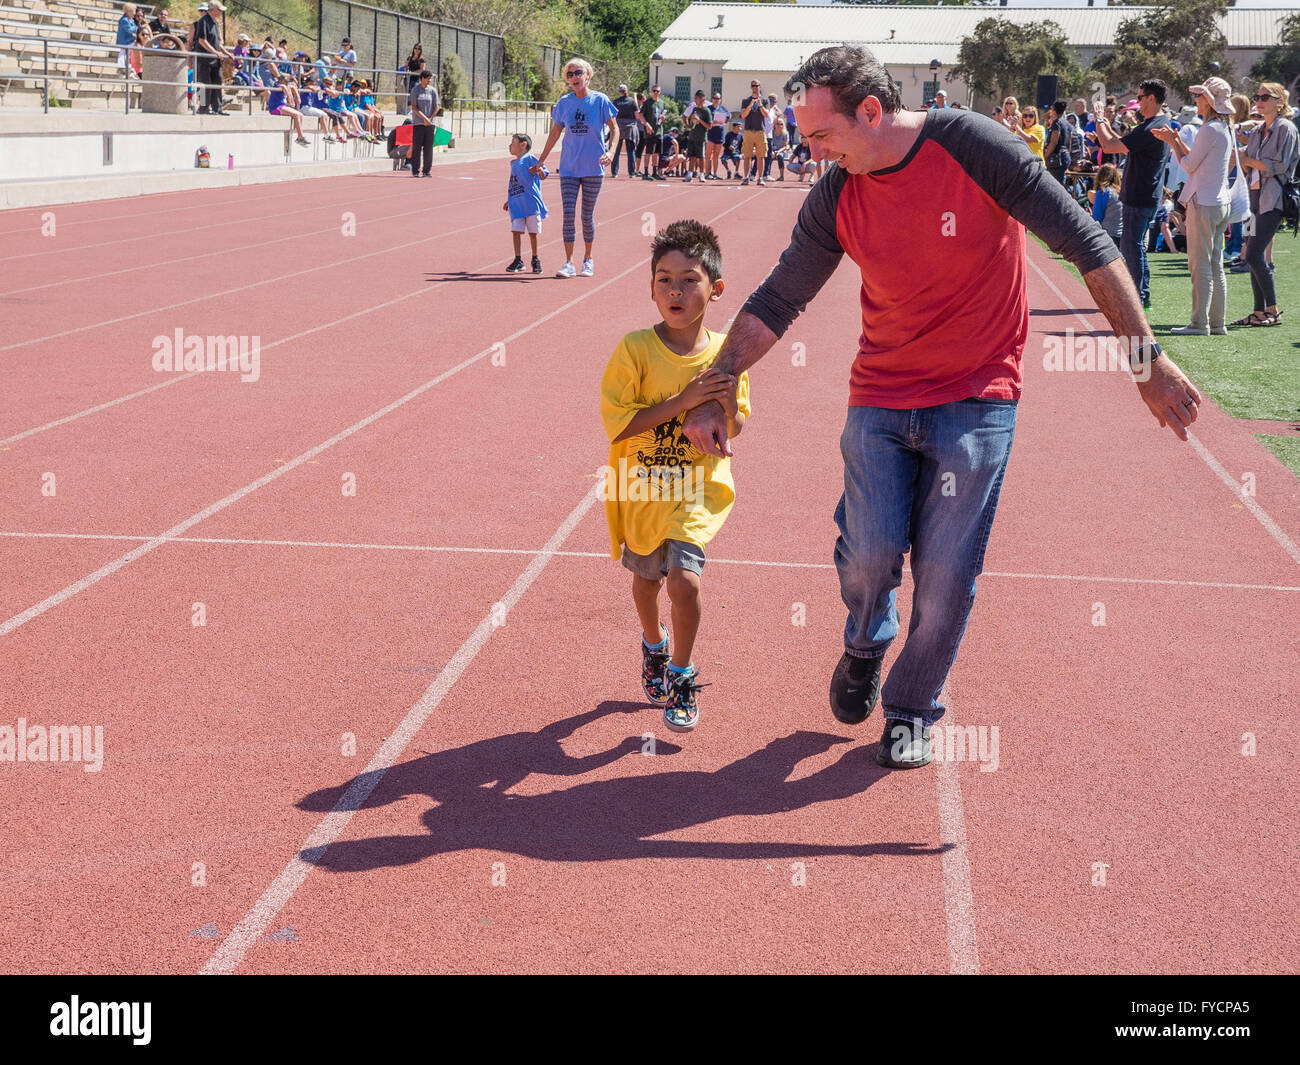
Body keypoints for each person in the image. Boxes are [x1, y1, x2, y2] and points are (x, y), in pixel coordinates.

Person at [678, 45, 1202, 769]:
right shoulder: (837, 192)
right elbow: (779, 296)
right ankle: (865, 640)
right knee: (868, 555)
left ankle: (912, 706)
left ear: (870, 111)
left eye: (821, 133)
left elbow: (1084, 241)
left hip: (979, 393)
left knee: (950, 571)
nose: (809, 148)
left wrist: (1145, 363)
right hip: (882, 393)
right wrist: (717, 383)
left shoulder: (978, 147)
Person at [600, 220, 750, 732]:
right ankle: (653, 644)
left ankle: (683, 676)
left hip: (695, 490)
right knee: (646, 585)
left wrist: (726, 405)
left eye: (689, 279)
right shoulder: (635, 350)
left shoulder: (726, 353)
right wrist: (683, 402)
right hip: (640, 488)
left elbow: (738, 422)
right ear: (651, 289)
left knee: (684, 581)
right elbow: (620, 425)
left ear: (716, 289)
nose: (675, 290)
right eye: (664, 279)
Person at [1153, 78, 1234, 336]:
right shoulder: (1221, 128)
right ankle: (1216, 322)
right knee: (1215, 264)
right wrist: (1175, 140)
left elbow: (1188, 165)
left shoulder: (1210, 129)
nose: (1196, 100)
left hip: (1204, 203)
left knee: (1200, 265)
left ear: (1209, 101)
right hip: (1218, 203)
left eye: (1200, 96)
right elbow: (1196, 161)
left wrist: (1172, 142)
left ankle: (1200, 323)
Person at [531, 57, 618, 278]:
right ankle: (568, 262)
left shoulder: (600, 101)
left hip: (593, 168)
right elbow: (555, 133)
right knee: (568, 215)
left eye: (577, 72)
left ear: (587, 75)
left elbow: (615, 130)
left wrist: (610, 152)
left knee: (586, 216)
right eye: (569, 75)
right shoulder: (564, 103)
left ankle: (588, 259)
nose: (574, 77)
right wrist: (541, 159)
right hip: (569, 168)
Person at [1090, 79, 1171, 309]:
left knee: (1131, 246)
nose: (1138, 102)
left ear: (1152, 99)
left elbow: (1109, 146)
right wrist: (1103, 122)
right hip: (1144, 194)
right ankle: (1141, 293)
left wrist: (1098, 120)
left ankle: (1139, 294)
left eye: (1141, 97)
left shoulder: (1151, 127)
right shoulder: (1154, 124)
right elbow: (1116, 141)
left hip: (1141, 195)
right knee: (1134, 245)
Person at [1235, 82, 1298, 327]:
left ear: (1279, 102)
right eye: (1257, 96)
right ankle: (1259, 311)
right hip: (1254, 199)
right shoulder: (1260, 129)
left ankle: (1272, 310)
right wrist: (1246, 160)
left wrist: (1248, 159)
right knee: (1252, 255)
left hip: (1273, 199)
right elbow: (1250, 164)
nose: (1259, 100)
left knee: (1252, 254)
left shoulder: (1286, 128)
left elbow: (1279, 166)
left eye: (1265, 96)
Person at [503, 133, 548, 275]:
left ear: (523, 145)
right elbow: (514, 182)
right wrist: (508, 199)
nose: (510, 145)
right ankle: (518, 259)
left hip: (531, 204)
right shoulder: (513, 163)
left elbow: (543, 173)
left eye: (513, 142)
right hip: (516, 203)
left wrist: (539, 170)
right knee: (516, 231)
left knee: (533, 233)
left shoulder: (530, 159)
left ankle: (535, 258)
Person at [192, 1, 230, 116]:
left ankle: (217, 108)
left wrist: (227, 53)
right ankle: (203, 108)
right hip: (204, 59)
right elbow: (201, 40)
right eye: (220, 10)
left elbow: (218, 42)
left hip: (215, 60)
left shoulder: (216, 23)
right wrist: (215, 52)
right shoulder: (203, 21)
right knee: (204, 85)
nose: (221, 13)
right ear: (213, 10)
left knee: (217, 83)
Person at [408, 68, 439, 178]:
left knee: (428, 148)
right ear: (422, 79)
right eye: (427, 78)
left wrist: (430, 119)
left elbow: (437, 106)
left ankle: (426, 171)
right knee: (417, 148)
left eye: (430, 78)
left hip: (429, 124)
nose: (429, 80)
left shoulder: (433, 91)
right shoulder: (415, 90)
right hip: (419, 123)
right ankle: (415, 170)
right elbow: (414, 107)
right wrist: (424, 118)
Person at [739, 79, 769, 187]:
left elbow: (766, 115)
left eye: (756, 85)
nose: (755, 87)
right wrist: (750, 106)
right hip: (748, 131)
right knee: (747, 156)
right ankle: (746, 177)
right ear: (750, 87)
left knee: (761, 156)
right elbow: (743, 115)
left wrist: (760, 105)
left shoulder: (765, 101)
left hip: (760, 131)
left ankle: (760, 178)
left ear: (760, 87)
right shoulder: (746, 100)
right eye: (753, 85)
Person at [270, 74, 311, 146]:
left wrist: (298, 97)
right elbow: (283, 87)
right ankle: (300, 137)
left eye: (288, 82)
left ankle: (299, 135)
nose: (287, 83)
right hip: (275, 108)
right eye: (285, 81)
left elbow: (292, 87)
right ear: (281, 80)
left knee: (300, 115)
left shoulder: (286, 86)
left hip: (282, 107)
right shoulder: (278, 86)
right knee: (297, 115)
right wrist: (290, 99)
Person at [1088, 163, 1124, 243]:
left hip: (1108, 235)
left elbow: (1097, 218)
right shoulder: (1121, 192)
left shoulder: (1103, 193)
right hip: (1122, 235)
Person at [611, 84, 641, 179]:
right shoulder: (632, 101)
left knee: (616, 150)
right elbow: (637, 114)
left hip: (619, 126)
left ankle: (614, 173)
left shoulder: (616, 102)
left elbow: (612, 115)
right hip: (630, 127)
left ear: (619, 91)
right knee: (630, 150)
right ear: (627, 91)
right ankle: (631, 173)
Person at [683, 89, 711, 182]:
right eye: (694, 98)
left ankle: (702, 174)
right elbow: (689, 119)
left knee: (701, 157)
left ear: (702, 99)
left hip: (701, 137)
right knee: (691, 156)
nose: (695, 100)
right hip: (692, 136)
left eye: (696, 98)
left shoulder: (706, 111)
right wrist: (689, 125)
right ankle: (689, 174)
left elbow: (709, 126)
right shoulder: (694, 109)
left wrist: (699, 120)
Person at [639, 85, 665, 180]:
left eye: (657, 91)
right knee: (649, 152)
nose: (656, 93)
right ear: (651, 92)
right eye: (654, 91)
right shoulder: (647, 103)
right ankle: (646, 172)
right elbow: (641, 115)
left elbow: (662, 116)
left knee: (657, 153)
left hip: (659, 131)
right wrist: (647, 125)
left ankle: (655, 172)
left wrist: (663, 119)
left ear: (660, 92)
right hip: (650, 131)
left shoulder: (662, 103)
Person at [1044, 99, 1071, 184]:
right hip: (1065, 156)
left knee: (1054, 185)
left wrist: (1045, 155)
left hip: (1056, 159)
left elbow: (1053, 142)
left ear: (1054, 109)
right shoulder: (1067, 123)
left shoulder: (1057, 123)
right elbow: (1069, 143)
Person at [706, 92, 729, 179]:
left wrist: (724, 122)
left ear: (720, 100)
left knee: (716, 155)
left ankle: (715, 174)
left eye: (718, 98)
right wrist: (712, 122)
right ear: (712, 99)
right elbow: (704, 119)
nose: (716, 100)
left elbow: (729, 116)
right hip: (710, 134)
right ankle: (707, 173)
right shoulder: (708, 109)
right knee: (708, 155)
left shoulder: (723, 109)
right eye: (715, 98)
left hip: (720, 134)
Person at [115, 4, 138, 79]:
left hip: (130, 40)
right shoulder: (124, 20)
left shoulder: (131, 19)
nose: (135, 13)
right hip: (124, 41)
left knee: (129, 55)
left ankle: (129, 70)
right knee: (123, 55)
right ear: (129, 11)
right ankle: (121, 69)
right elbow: (129, 30)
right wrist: (139, 28)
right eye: (134, 11)